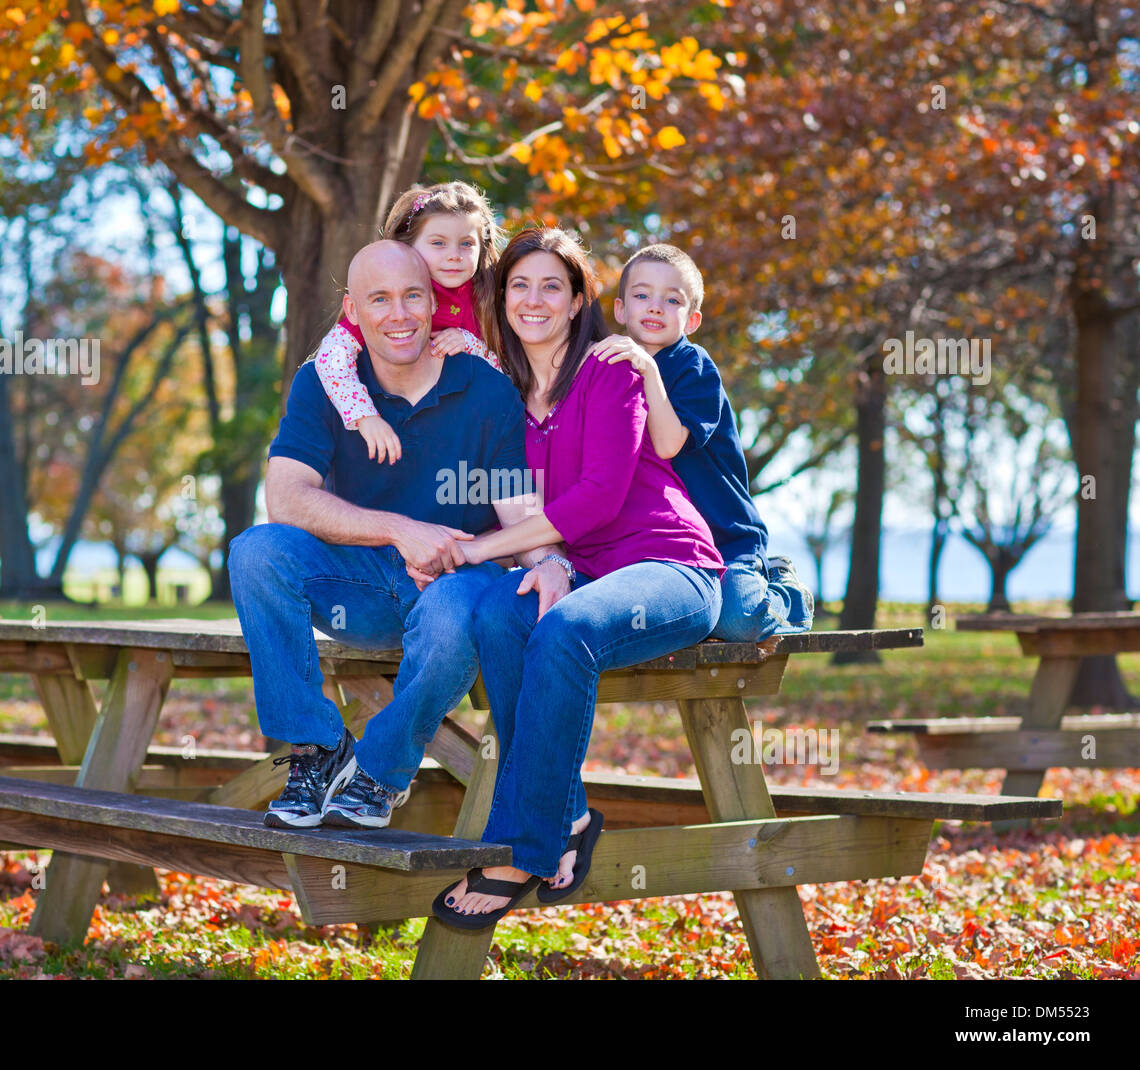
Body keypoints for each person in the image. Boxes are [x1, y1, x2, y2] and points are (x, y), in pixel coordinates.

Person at [428, 227, 726, 929]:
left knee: (564, 629)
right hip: (581, 567)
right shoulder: (497, 399)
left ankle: (520, 850)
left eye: (551, 286)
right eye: (519, 285)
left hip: (669, 566)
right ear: (500, 300)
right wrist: (544, 561)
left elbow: (596, 495)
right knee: (501, 613)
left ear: (576, 301)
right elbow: (514, 495)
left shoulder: (610, 368)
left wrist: (478, 550)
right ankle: (569, 816)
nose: (534, 300)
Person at [228, 240, 569, 831]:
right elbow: (284, 497)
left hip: (456, 579)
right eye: (379, 299)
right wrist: (400, 530)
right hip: (352, 580)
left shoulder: (487, 390)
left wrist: (551, 561)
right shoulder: (326, 384)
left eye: (413, 296)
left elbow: (516, 504)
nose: (399, 314)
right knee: (255, 552)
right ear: (352, 310)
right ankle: (315, 750)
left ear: (435, 301)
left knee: (456, 612)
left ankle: (380, 772)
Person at [594, 243, 814, 643]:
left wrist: (647, 370)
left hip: (724, 537)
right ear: (621, 310)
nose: (655, 307)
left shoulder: (693, 366)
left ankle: (785, 591)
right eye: (642, 295)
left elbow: (668, 444)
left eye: (672, 299)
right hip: (662, 545)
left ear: (692, 319)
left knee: (739, 620)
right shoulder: (609, 369)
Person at [313, 181, 505, 466]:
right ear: (407, 246)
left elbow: (508, 381)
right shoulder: (385, 300)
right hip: (391, 438)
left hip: (465, 448)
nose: (454, 255)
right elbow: (331, 356)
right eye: (438, 243)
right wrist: (364, 416)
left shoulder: (486, 299)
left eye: (466, 244)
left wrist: (473, 345)